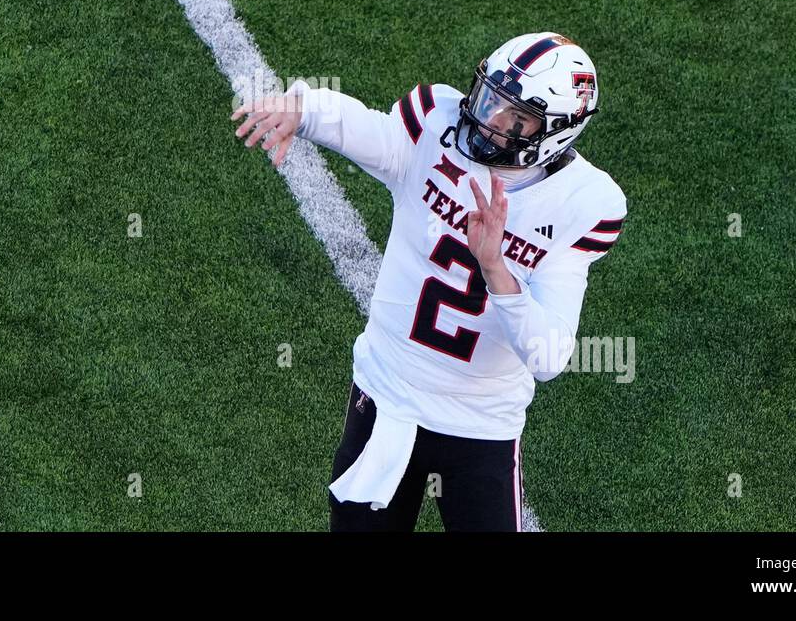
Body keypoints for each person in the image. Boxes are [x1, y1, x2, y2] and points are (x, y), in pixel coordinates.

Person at [231, 32, 627, 531]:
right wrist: (303, 109)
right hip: (387, 398)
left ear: (556, 134)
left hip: (479, 428)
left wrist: (496, 268)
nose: (491, 122)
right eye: (490, 100)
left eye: (517, 118)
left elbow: (548, 358)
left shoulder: (580, 204)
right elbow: (365, 129)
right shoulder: (434, 127)